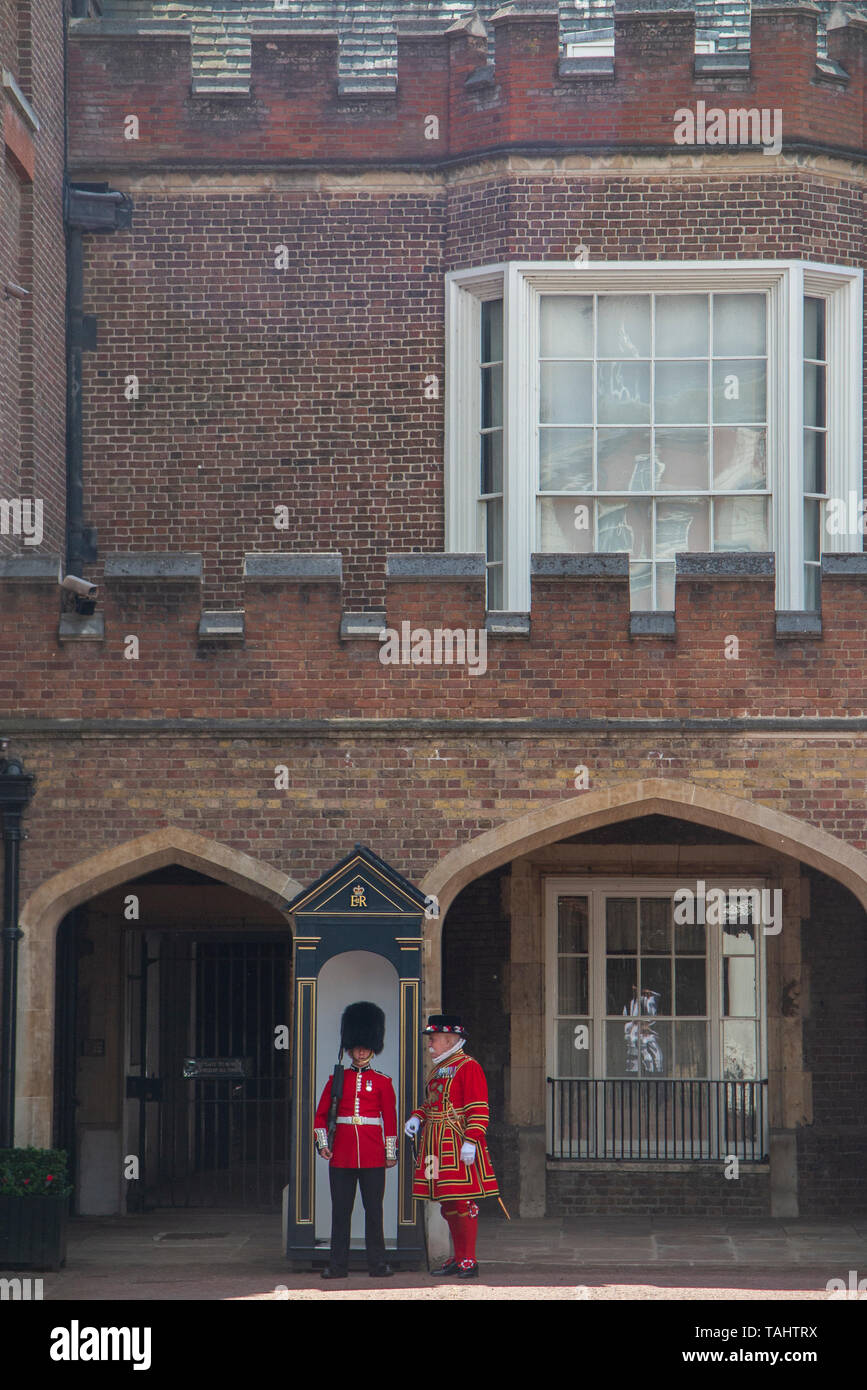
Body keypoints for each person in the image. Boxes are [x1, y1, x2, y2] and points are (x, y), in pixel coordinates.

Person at [404, 1014, 499, 1279]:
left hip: (456, 1142)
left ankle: (469, 1259)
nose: (430, 1044)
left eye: (433, 1039)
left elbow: (479, 1107)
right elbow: (432, 1103)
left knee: (462, 1200)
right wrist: (417, 1116)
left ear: (450, 1040)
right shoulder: (439, 1068)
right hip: (434, 1143)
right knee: (446, 1204)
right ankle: (458, 1257)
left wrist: (472, 1140)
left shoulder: (468, 1066)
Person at [314, 1001, 397, 1278]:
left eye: (365, 1046)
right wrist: (323, 1144)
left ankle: (378, 1263)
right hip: (342, 1154)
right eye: (357, 1047)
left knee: (374, 1211)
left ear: (373, 1047)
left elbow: (390, 1119)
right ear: (349, 1048)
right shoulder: (336, 1080)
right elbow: (320, 1115)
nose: (361, 1051)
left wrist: (390, 1151)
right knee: (341, 1212)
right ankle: (337, 1265)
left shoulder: (383, 1081)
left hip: (373, 1154)